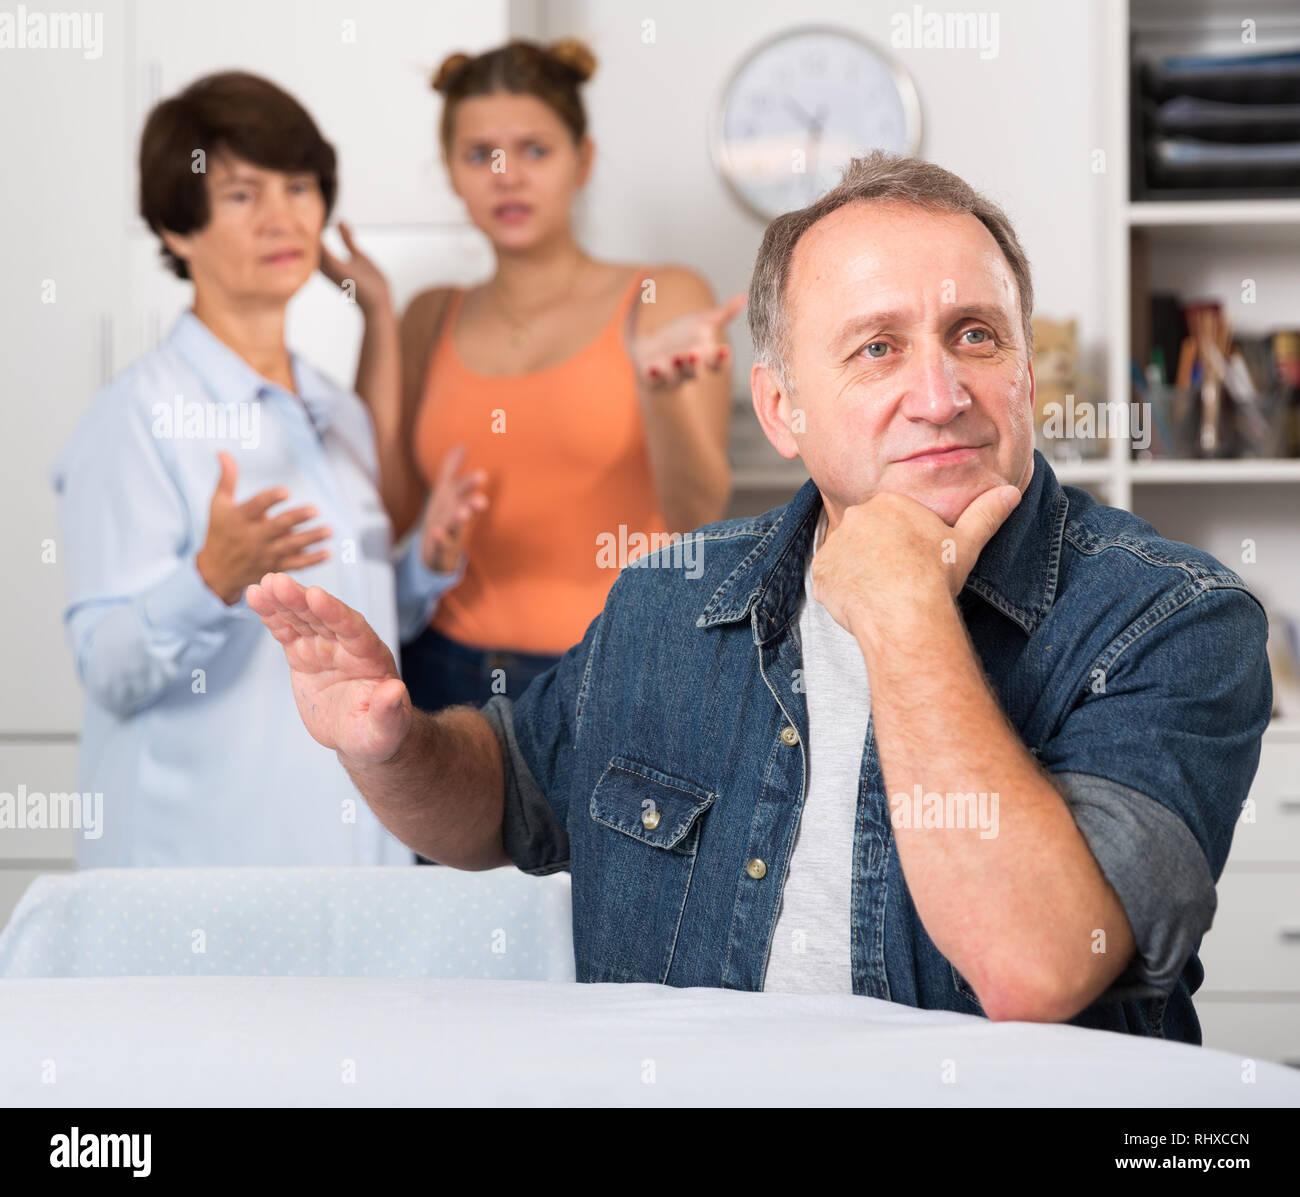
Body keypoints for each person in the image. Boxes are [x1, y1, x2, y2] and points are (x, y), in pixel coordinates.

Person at [247, 151, 1272, 1042]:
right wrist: (392, 746)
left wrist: (902, 605)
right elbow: (499, 799)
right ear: (782, 411)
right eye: (877, 348)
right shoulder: (666, 599)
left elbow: (1035, 968)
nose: (940, 393)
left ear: (1027, 379)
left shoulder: (1173, 619)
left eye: (974, 335)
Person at [50, 71, 479, 867]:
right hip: (202, 870)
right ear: (177, 229)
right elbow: (109, 667)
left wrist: (422, 568)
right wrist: (210, 576)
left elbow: (347, 620)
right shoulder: (135, 417)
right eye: (243, 194)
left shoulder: (333, 410)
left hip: (355, 858)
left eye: (300, 186)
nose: (284, 216)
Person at [326, 37, 744, 717]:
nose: (506, 175)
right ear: (452, 171)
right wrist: (376, 317)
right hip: (442, 675)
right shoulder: (428, 314)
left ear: (582, 162)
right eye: (478, 154)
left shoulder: (659, 297)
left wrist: (657, 390)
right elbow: (386, 511)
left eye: (535, 150)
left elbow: (697, 512)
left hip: (614, 672)